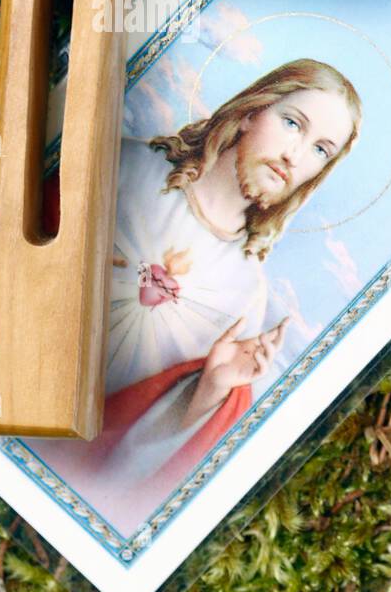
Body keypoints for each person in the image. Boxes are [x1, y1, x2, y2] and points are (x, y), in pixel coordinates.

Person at [37, 58, 362, 533]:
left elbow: (141, 460)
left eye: (319, 150)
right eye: (292, 123)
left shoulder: (246, 293)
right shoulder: (125, 167)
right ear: (253, 110)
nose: (295, 154)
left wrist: (212, 389)